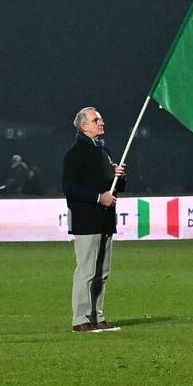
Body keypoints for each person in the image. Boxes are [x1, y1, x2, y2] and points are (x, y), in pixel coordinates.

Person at [63, 106, 127, 333]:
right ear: (84, 126)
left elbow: (114, 187)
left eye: (100, 118)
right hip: (86, 220)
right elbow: (69, 188)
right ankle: (80, 318)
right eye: (96, 119)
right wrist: (100, 197)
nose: (101, 122)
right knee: (87, 271)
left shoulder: (102, 151)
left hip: (105, 220)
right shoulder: (76, 153)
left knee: (102, 272)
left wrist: (118, 177)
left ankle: (97, 316)